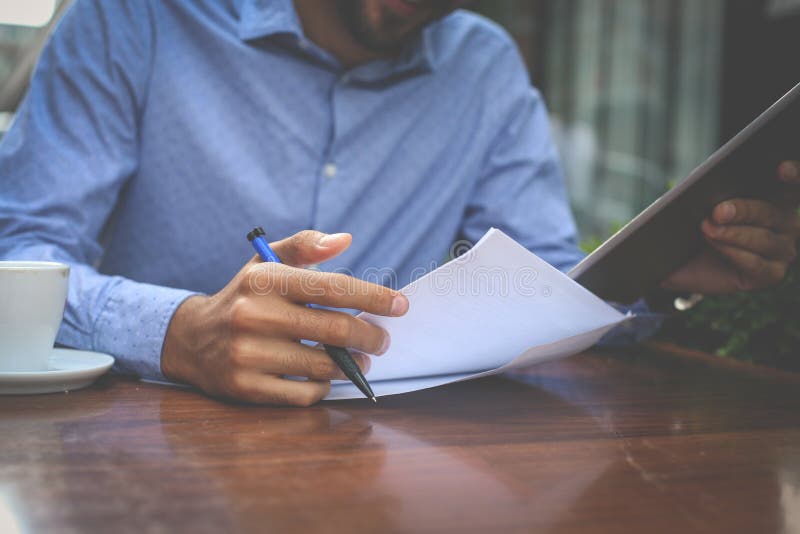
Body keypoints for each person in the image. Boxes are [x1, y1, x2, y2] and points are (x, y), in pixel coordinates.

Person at [0, 0, 797, 406]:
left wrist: (658, 271)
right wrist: (175, 332)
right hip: (145, 457)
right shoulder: (132, 18)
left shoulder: (483, 67)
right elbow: (20, 256)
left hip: (391, 465)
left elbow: (539, 280)